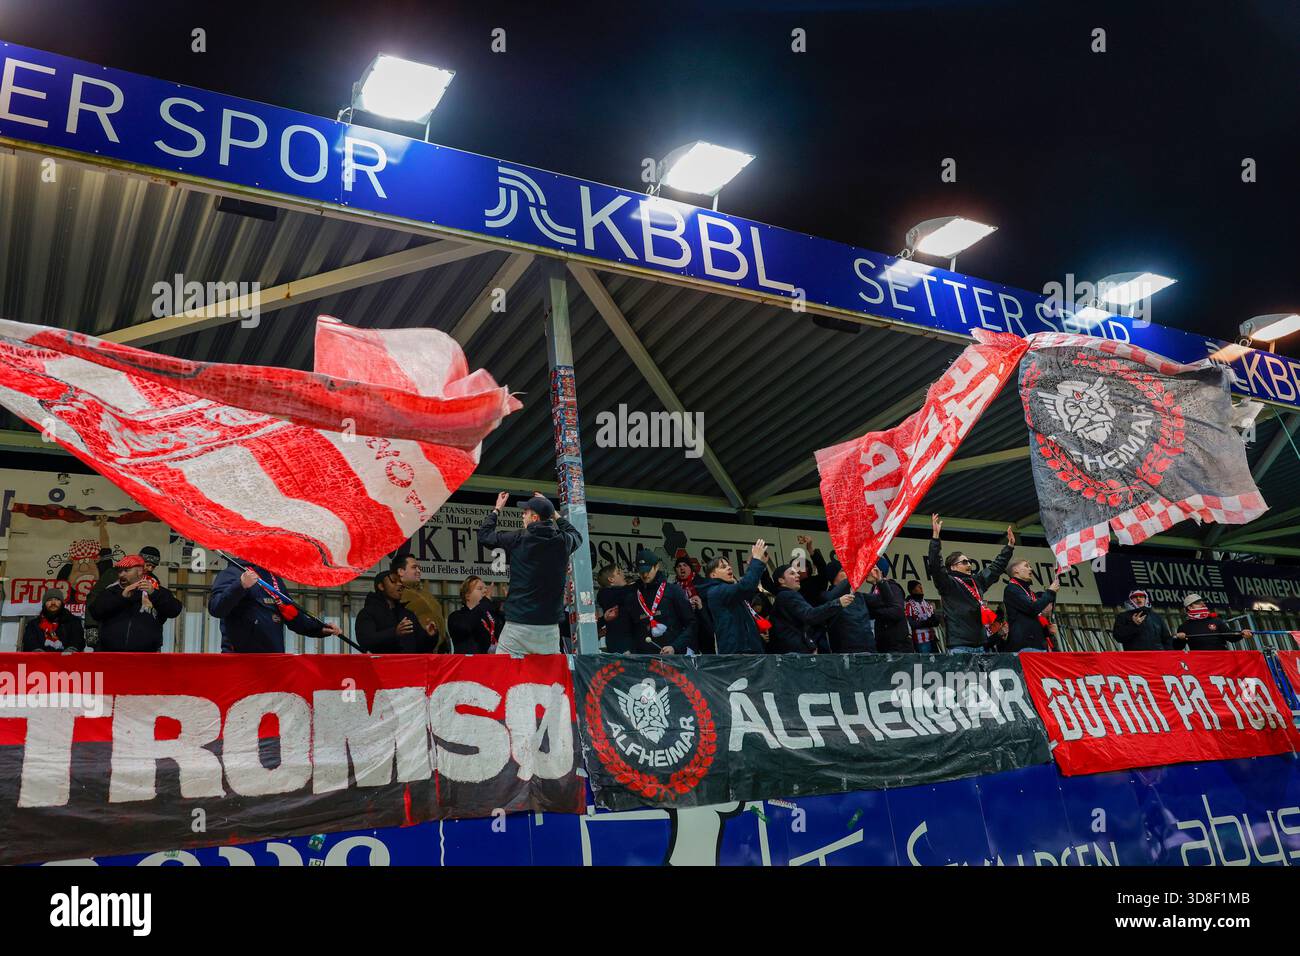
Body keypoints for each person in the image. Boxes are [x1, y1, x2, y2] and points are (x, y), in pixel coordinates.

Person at [477, 491, 583, 655]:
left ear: (534, 518)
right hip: (549, 629)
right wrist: (554, 513)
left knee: (505, 670)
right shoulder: (563, 541)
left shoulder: (518, 538)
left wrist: (497, 510)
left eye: (525, 512)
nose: (522, 515)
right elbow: (577, 535)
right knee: (548, 672)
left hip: (518, 625)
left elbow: (484, 536)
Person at [209, 557, 341, 653]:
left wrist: (319, 628)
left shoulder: (273, 578)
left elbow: (292, 614)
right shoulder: (232, 573)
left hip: (273, 660)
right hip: (240, 659)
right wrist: (240, 585)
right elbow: (216, 608)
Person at [926, 513, 1015, 655]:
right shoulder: (948, 584)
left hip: (981, 645)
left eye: (969, 561)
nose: (969, 564)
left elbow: (995, 568)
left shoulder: (977, 581)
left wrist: (1009, 547)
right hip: (959, 646)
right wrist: (935, 539)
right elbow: (936, 566)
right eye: (964, 562)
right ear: (953, 567)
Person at [90, 554, 182, 652]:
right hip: (110, 653)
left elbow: (174, 610)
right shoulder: (111, 591)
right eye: (120, 571)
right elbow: (95, 612)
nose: (121, 575)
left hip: (145, 655)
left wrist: (154, 594)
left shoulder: (156, 590)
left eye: (126, 570)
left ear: (140, 571)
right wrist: (121, 598)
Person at [694, 540, 769, 654]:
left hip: (747, 652)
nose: (729, 568)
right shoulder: (716, 591)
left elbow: (745, 588)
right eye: (723, 567)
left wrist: (755, 564)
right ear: (713, 575)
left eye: (729, 565)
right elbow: (745, 587)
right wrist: (756, 561)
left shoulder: (729, 591)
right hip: (738, 655)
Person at [770, 561, 853, 654]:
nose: (797, 575)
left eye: (797, 573)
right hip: (794, 654)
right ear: (781, 580)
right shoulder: (787, 595)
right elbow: (809, 615)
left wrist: (810, 645)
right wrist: (838, 603)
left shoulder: (784, 596)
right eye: (792, 573)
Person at [631, 548, 698, 654]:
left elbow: (691, 624)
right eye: (641, 571)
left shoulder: (673, 590)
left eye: (648, 570)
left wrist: (675, 647)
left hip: (674, 656)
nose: (645, 575)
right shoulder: (633, 594)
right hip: (645, 658)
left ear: (657, 566)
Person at [355, 570, 438, 653]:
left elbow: (422, 648)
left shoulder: (408, 614)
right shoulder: (367, 613)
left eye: (401, 581)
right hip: (383, 661)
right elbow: (365, 641)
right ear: (381, 586)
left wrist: (430, 636)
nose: (400, 584)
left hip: (409, 661)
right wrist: (394, 632)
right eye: (394, 581)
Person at [390, 555, 448, 651]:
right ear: (401, 571)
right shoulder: (397, 596)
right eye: (414, 567)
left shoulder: (425, 593)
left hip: (438, 650)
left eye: (419, 568)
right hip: (419, 651)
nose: (418, 571)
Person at [1002, 559, 1062, 653]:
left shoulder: (1028, 592)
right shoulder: (1011, 589)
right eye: (1026, 566)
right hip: (1025, 646)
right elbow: (1032, 608)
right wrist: (1050, 592)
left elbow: (1030, 619)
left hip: (1037, 645)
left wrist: (1046, 631)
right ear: (1016, 570)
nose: (1031, 569)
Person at [819, 560, 876, 653]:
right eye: (843, 570)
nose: (847, 572)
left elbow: (887, 601)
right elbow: (831, 597)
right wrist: (854, 575)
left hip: (870, 651)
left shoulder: (860, 596)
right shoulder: (826, 596)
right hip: (846, 654)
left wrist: (880, 581)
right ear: (834, 575)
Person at [1175, 594, 1252, 651]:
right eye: (1198, 603)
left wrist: (1242, 633)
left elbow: (1230, 636)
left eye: (1203, 602)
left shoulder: (1216, 620)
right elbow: (1177, 647)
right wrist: (1179, 639)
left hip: (1222, 661)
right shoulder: (1184, 627)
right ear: (1189, 607)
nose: (1203, 604)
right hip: (1200, 663)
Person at [447, 576, 504, 654]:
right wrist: (485, 602)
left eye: (485, 588)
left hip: (495, 659)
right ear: (467, 595)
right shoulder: (456, 616)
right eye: (480, 589)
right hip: (471, 661)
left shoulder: (493, 615)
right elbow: (467, 625)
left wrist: (512, 606)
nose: (485, 591)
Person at [674, 553, 714, 653]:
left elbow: (711, 607)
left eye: (685, 565)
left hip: (704, 629)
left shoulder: (703, 583)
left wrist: (700, 606)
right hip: (685, 631)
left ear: (691, 568)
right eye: (679, 566)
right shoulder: (673, 588)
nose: (682, 568)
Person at [596, 564, 637, 653]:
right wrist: (636, 584)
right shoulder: (605, 594)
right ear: (611, 579)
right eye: (618, 572)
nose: (622, 574)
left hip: (633, 639)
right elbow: (622, 593)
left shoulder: (626, 591)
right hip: (620, 642)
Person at [904, 581, 941, 653]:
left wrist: (935, 620)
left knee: (938, 659)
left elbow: (934, 620)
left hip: (932, 639)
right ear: (913, 590)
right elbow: (911, 624)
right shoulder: (909, 605)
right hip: (921, 641)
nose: (921, 588)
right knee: (924, 660)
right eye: (918, 587)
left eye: (921, 586)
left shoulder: (927, 603)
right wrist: (926, 623)